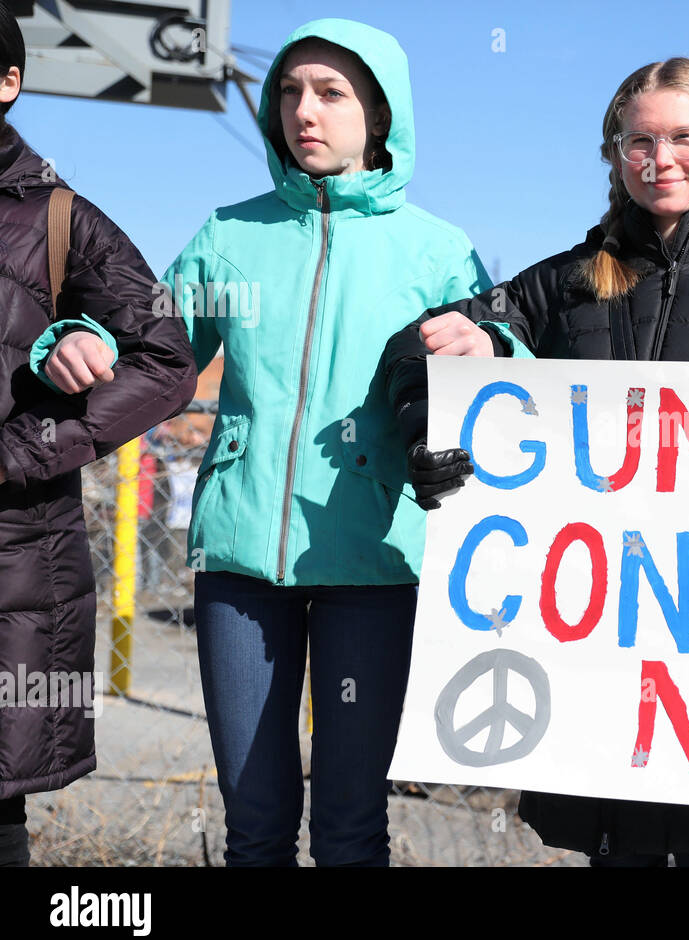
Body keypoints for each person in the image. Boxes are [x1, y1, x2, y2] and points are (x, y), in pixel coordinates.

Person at [383, 57, 689, 866]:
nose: (661, 159)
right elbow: (415, 348)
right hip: (598, 636)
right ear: (615, 155)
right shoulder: (567, 285)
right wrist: (430, 431)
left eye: (683, 137)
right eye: (639, 141)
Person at [65, 18, 509, 866]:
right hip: (241, 572)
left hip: (375, 564)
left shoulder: (439, 251)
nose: (304, 110)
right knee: (256, 826)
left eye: (331, 93)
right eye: (290, 93)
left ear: (379, 115)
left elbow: (502, 376)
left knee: (350, 828)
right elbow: (152, 349)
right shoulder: (230, 236)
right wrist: (70, 343)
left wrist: (490, 364)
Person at [0, 3, 197, 866]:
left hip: (12, 558)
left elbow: (166, 356)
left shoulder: (59, 218)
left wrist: (23, 450)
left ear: (9, 82)